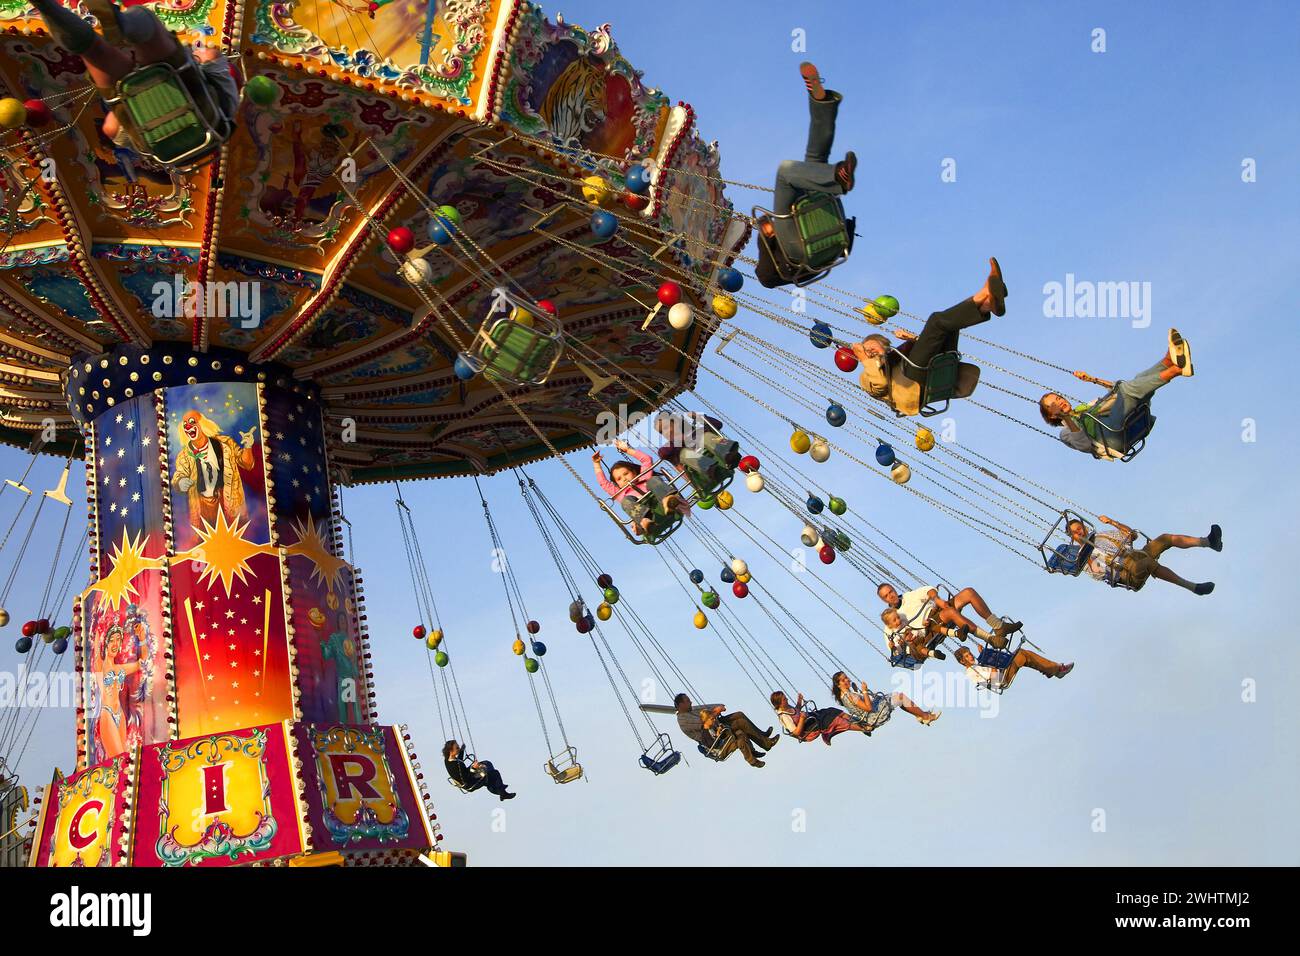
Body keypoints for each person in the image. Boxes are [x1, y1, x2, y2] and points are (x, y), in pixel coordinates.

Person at [29, 0, 238, 162]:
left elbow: (210, 55)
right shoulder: (161, 149)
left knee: (148, 23)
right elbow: (111, 127)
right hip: (139, 106)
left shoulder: (228, 109)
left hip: (185, 87)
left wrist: (197, 57)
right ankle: (45, 6)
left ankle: (121, 24)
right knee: (92, 50)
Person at [850, 258, 1007, 417]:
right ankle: (986, 295)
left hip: (928, 371)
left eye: (872, 347)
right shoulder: (866, 376)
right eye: (866, 349)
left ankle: (988, 302)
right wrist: (864, 358)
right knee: (936, 321)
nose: (869, 351)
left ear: (884, 347)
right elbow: (881, 385)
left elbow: (929, 348)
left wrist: (914, 340)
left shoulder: (898, 356)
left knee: (949, 326)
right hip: (911, 382)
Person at [755, 62, 857, 289]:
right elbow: (765, 278)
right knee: (784, 172)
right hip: (797, 249)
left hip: (819, 232)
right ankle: (836, 177)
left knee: (814, 160)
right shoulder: (776, 261)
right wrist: (766, 240)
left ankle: (820, 101)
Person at [1039, 329, 1194, 459]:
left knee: (1136, 381)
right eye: (1054, 404)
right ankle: (1177, 370)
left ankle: (1168, 361)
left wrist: (1093, 379)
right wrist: (1065, 417)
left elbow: (1119, 389)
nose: (1060, 402)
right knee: (1128, 390)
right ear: (1051, 415)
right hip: (1112, 440)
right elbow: (1085, 445)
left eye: (1059, 398)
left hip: (1129, 422)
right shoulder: (1065, 433)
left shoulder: (1087, 408)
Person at [1064, 516, 1221, 595]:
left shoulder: (1101, 536)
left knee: (1165, 538)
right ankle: (1193, 587)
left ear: (1084, 527)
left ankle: (1208, 542)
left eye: (1080, 528)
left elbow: (1131, 535)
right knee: (1147, 563)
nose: (1079, 532)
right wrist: (1091, 558)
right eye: (1075, 532)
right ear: (1072, 537)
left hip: (1136, 555)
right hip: (1127, 573)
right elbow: (1099, 574)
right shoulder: (1082, 557)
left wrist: (1112, 522)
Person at [876, 581, 1021, 649]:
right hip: (929, 628)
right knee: (950, 612)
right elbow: (894, 647)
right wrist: (900, 644)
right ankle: (990, 639)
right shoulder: (889, 621)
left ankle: (998, 625)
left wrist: (936, 599)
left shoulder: (909, 596)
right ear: (883, 600)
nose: (891, 596)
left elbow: (928, 590)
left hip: (937, 611)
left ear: (894, 589)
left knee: (968, 592)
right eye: (886, 596)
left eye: (891, 592)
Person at [592, 440, 688, 537]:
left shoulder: (644, 478)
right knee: (626, 501)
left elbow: (646, 459)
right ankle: (644, 522)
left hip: (662, 506)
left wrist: (627, 450)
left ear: (634, 472)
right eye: (619, 479)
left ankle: (668, 500)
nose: (624, 478)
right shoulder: (621, 494)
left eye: (626, 474)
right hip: (651, 517)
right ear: (617, 484)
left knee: (652, 481)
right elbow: (604, 483)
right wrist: (596, 464)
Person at [673, 692, 778, 768]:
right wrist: (715, 712)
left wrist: (717, 707)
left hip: (717, 726)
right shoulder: (683, 719)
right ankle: (765, 744)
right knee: (740, 724)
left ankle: (763, 737)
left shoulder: (692, 710)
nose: (691, 702)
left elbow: (707, 708)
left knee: (739, 715)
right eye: (687, 701)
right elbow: (706, 723)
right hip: (713, 737)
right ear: (681, 705)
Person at [654, 410, 740, 487]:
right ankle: (712, 469)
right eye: (661, 432)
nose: (665, 432)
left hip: (722, 460)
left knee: (706, 436)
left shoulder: (696, 432)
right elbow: (662, 453)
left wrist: (698, 417)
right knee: (684, 453)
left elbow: (717, 424)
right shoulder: (672, 449)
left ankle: (729, 452)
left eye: (666, 427)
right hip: (703, 475)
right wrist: (681, 440)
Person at [830, 671, 939, 730]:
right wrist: (864, 691)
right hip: (875, 715)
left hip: (870, 717)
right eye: (843, 680)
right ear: (838, 684)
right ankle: (925, 716)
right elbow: (868, 708)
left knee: (897, 697)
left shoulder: (843, 696)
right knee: (900, 697)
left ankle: (919, 715)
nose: (847, 680)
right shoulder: (850, 696)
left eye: (846, 677)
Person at [954, 641, 1074, 691]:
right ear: (962, 661)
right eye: (967, 656)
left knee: (1024, 656)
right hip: (999, 680)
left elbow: (990, 667)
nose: (970, 656)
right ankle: (1056, 670)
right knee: (1022, 654)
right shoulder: (971, 671)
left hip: (1000, 674)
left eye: (969, 653)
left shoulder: (976, 665)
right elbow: (993, 673)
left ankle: (1050, 670)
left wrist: (984, 655)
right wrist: (985, 655)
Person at [769, 690, 866, 744]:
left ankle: (859, 721)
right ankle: (864, 728)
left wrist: (799, 701)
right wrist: (802, 719)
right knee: (835, 720)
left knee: (832, 711)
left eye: (785, 697)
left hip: (810, 719)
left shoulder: (787, 707)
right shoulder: (784, 717)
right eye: (784, 699)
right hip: (808, 729)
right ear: (779, 703)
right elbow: (796, 732)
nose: (786, 699)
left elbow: (797, 710)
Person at [443, 740, 515, 800]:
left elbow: (459, 763)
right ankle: (502, 792)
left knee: (487, 763)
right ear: (450, 751)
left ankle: (500, 790)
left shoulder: (448, 759)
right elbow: (465, 777)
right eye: (457, 748)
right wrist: (474, 768)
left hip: (468, 776)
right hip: (469, 783)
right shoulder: (453, 766)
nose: (458, 748)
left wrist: (461, 751)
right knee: (493, 774)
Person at [881, 607, 946, 663]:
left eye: (898, 617)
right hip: (912, 648)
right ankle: (933, 653)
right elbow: (899, 651)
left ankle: (950, 631)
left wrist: (917, 631)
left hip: (921, 638)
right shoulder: (894, 635)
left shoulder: (905, 624)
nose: (898, 620)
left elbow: (916, 629)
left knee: (933, 628)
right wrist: (893, 647)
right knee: (917, 648)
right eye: (894, 620)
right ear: (889, 625)